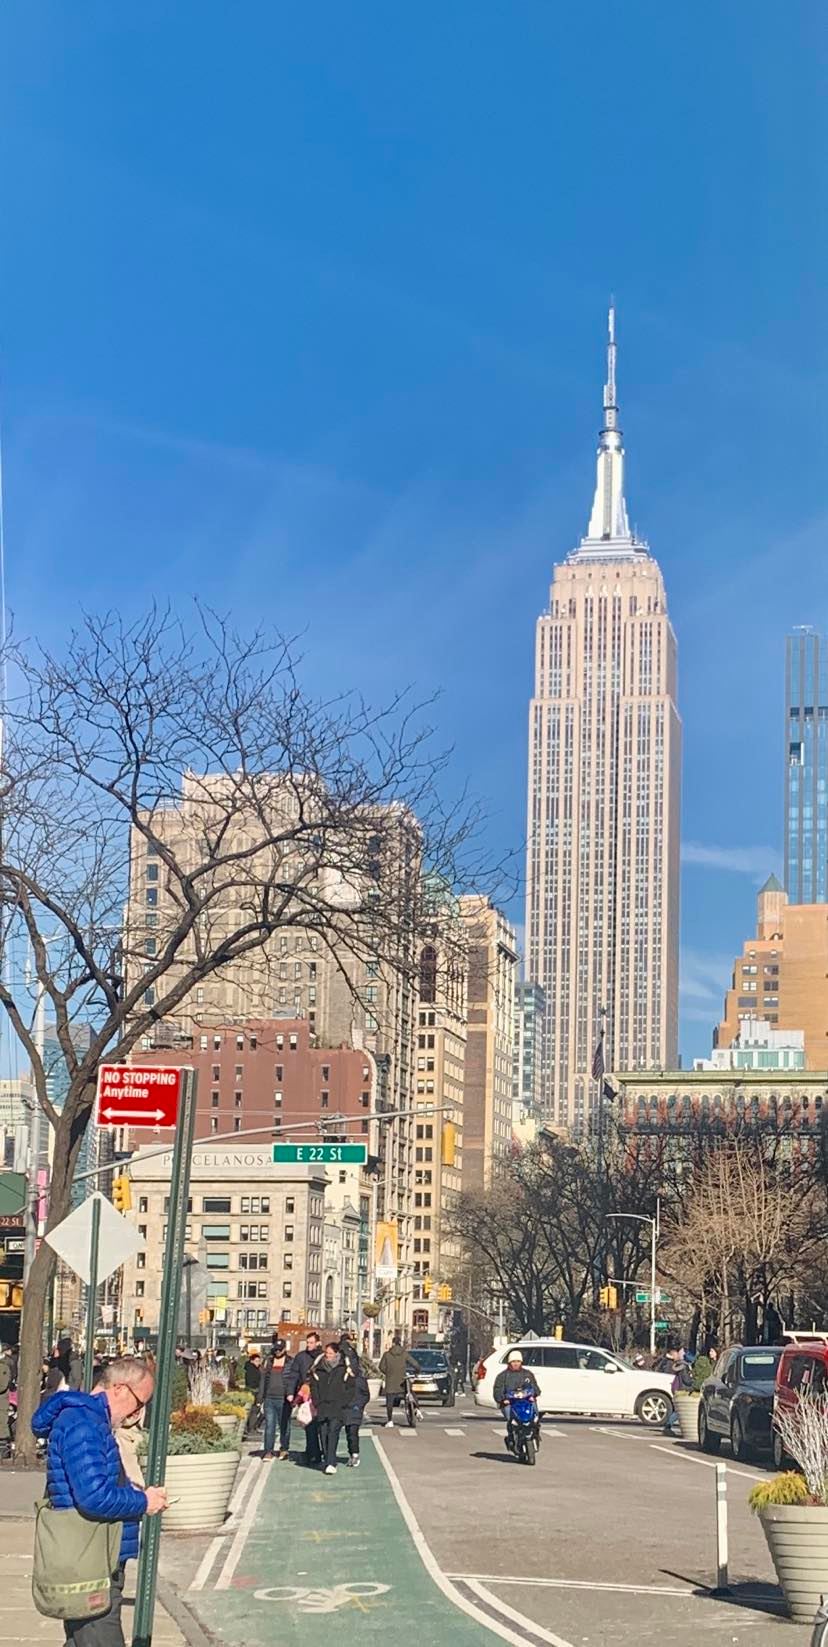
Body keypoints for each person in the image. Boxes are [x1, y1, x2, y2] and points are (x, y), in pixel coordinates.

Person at [31, 1355, 167, 1647]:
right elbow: (93, 1496)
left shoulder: (87, 1422)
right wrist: (143, 1501)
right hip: (92, 1560)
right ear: (119, 1388)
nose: (138, 1415)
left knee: (83, 1637)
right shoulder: (85, 1425)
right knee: (96, 1632)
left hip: (94, 1556)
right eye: (139, 1403)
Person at [311, 1341, 353, 1475]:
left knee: (333, 1432)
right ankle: (327, 1458)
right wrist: (316, 1401)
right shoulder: (319, 1369)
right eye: (326, 1353)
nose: (327, 1356)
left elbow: (351, 1387)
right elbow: (314, 1386)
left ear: (336, 1354)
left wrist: (344, 1401)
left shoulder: (343, 1369)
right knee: (323, 1434)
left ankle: (331, 1462)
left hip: (337, 1407)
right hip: (323, 1406)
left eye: (330, 1353)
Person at [493, 1349, 541, 1448]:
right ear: (509, 1363)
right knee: (511, 1419)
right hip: (510, 1403)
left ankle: (535, 1433)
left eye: (518, 1361)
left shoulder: (528, 1374)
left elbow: (535, 1388)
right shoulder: (503, 1376)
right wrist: (503, 1399)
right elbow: (497, 1391)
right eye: (513, 1362)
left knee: (535, 1415)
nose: (516, 1364)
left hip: (526, 1402)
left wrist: (533, 1395)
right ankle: (511, 1438)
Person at [289, 1331, 323, 1467]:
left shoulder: (323, 1357)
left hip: (321, 1396)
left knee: (322, 1427)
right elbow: (294, 1374)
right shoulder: (301, 1357)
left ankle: (322, 1452)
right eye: (307, 1342)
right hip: (307, 1396)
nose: (309, 1345)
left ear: (318, 1343)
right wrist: (290, 1392)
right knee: (309, 1426)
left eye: (311, 1342)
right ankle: (312, 1453)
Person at [258, 1336, 294, 1461]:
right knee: (269, 1425)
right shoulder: (269, 1361)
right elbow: (263, 1380)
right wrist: (260, 1398)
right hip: (269, 1399)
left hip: (283, 1399)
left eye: (279, 1349)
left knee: (284, 1425)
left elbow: (293, 1380)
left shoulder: (290, 1362)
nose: (277, 1352)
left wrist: (292, 1395)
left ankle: (284, 1449)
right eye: (276, 1349)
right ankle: (268, 1451)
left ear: (284, 1349)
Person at [379, 1333, 419, 1428]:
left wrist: (388, 1372)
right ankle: (417, 1409)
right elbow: (415, 1364)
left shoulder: (387, 1354)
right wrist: (417, 1371)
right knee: (410, 1393)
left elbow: (381, 1367)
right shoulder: (404, 1354)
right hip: (402, 1381)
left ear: (393, 1343)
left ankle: (390, 1420)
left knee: (390, 1401)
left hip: (391, 1381)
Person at [341, 1355, 370, 1468]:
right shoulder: (343, 1379)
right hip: (345, 1409)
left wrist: (359, 1405)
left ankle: (355, 1454)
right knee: (348, 1433)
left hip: (355, 1410)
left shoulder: (360, 1380)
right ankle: (351, 1453)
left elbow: (366, 1395)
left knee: (353, 1432)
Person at [0, 1349, 11, 1461]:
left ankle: (3, 1448)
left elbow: (2, 1385)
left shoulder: (3, 1367)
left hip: (1, 1402)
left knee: (2, 1424)